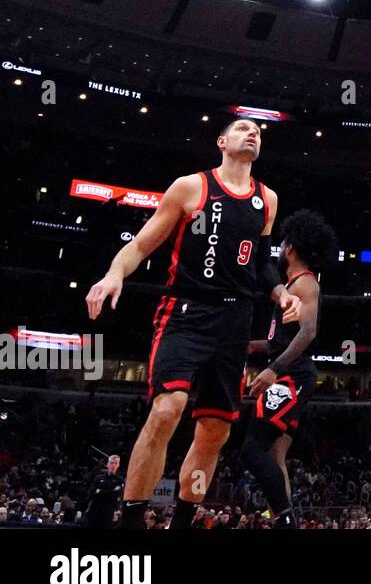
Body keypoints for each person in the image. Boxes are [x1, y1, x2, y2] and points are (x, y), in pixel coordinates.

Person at [84, 118, 296, 528]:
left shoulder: (267, 199)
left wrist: (280, 293)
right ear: (221, 142)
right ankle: (130, 519)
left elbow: (263, 264)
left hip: (236, 319)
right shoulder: (190, 186)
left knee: (216, 430)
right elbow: (143, 243)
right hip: (186, 311)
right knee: (168, 408)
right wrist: (114, 273)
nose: (253, 134)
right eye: (243, 129)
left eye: (258, 132)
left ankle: (182, 519)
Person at [239, 209, 336, 528]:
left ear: (291, 248)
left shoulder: (306, 285)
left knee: (252, 451)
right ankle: (283, 519)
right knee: (275, 456)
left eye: (282, 243)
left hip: (291, 375)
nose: (279, 248)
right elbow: (281, 340)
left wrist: (274, 370)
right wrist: (254, 346)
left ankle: (286, 520)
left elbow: (308, 333)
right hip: (289, 371)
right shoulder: (291, 285)